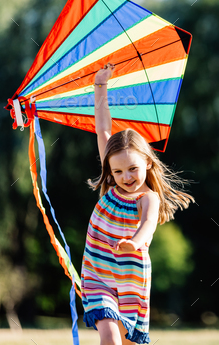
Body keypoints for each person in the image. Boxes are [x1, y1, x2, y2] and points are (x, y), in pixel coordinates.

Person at [81, 63, 195, 344]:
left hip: (131, 276)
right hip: (98, 271)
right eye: (118, 171)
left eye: (132, 169)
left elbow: (147, 225)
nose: (125, 177)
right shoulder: (110, 184)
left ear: (146, 161)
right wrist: (100, 86)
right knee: (108, 332)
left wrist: (134, 242)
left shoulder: (149, 198)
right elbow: (103, 128)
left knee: (129, 340)